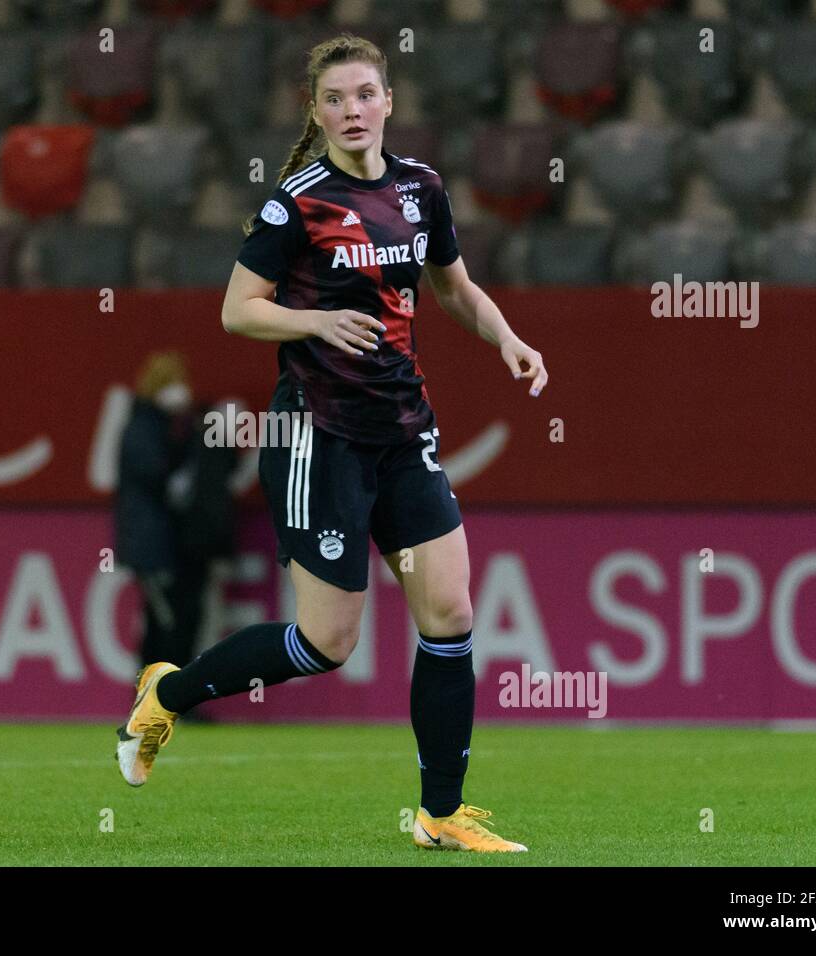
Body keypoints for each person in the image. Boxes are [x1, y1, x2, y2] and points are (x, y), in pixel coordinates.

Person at [115, 34, 548, 853]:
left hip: (402, 430)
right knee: (326, 644)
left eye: (366, 94)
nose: (353, 110)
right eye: (336, 99)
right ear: (315, 114)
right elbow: (238, 309)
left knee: (451, 610)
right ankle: (169, 694)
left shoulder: (421, 189)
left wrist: (507, 339)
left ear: (389, 101)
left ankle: (441, 813)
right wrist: (315, 318)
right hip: (319, 434)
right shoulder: (295, 203)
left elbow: (453, 284)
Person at [114, 352, 231, 674]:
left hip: (171, 546)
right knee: (168, 624)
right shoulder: (143, 428)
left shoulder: (168, 428)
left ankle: (165, 697)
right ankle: (158, 698)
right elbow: (155, 476)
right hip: (153, 547)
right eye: (173, 383)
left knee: (173, 621)